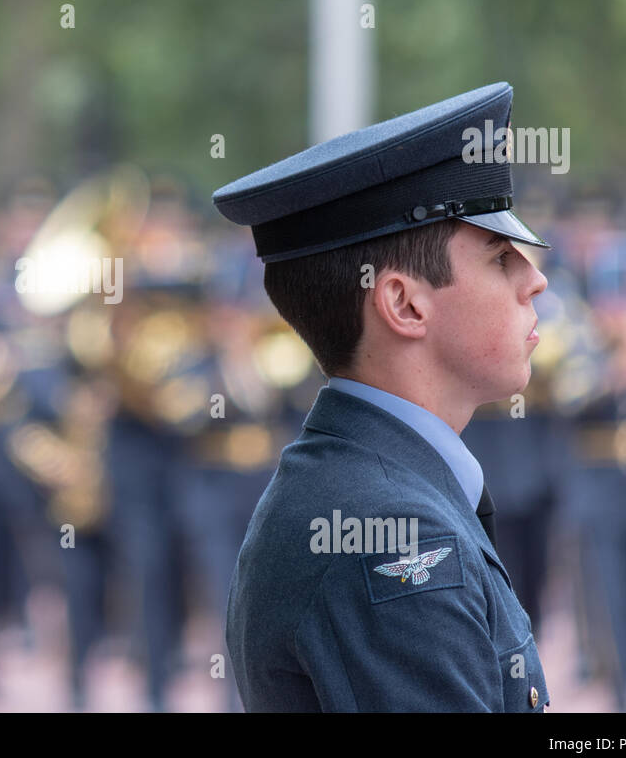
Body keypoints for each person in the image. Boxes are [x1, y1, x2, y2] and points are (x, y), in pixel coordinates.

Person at [216, 83, 552, 711]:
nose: (535, 280)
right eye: (501, 257)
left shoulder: (374, 489)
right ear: (403, 303)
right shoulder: (391, 536)